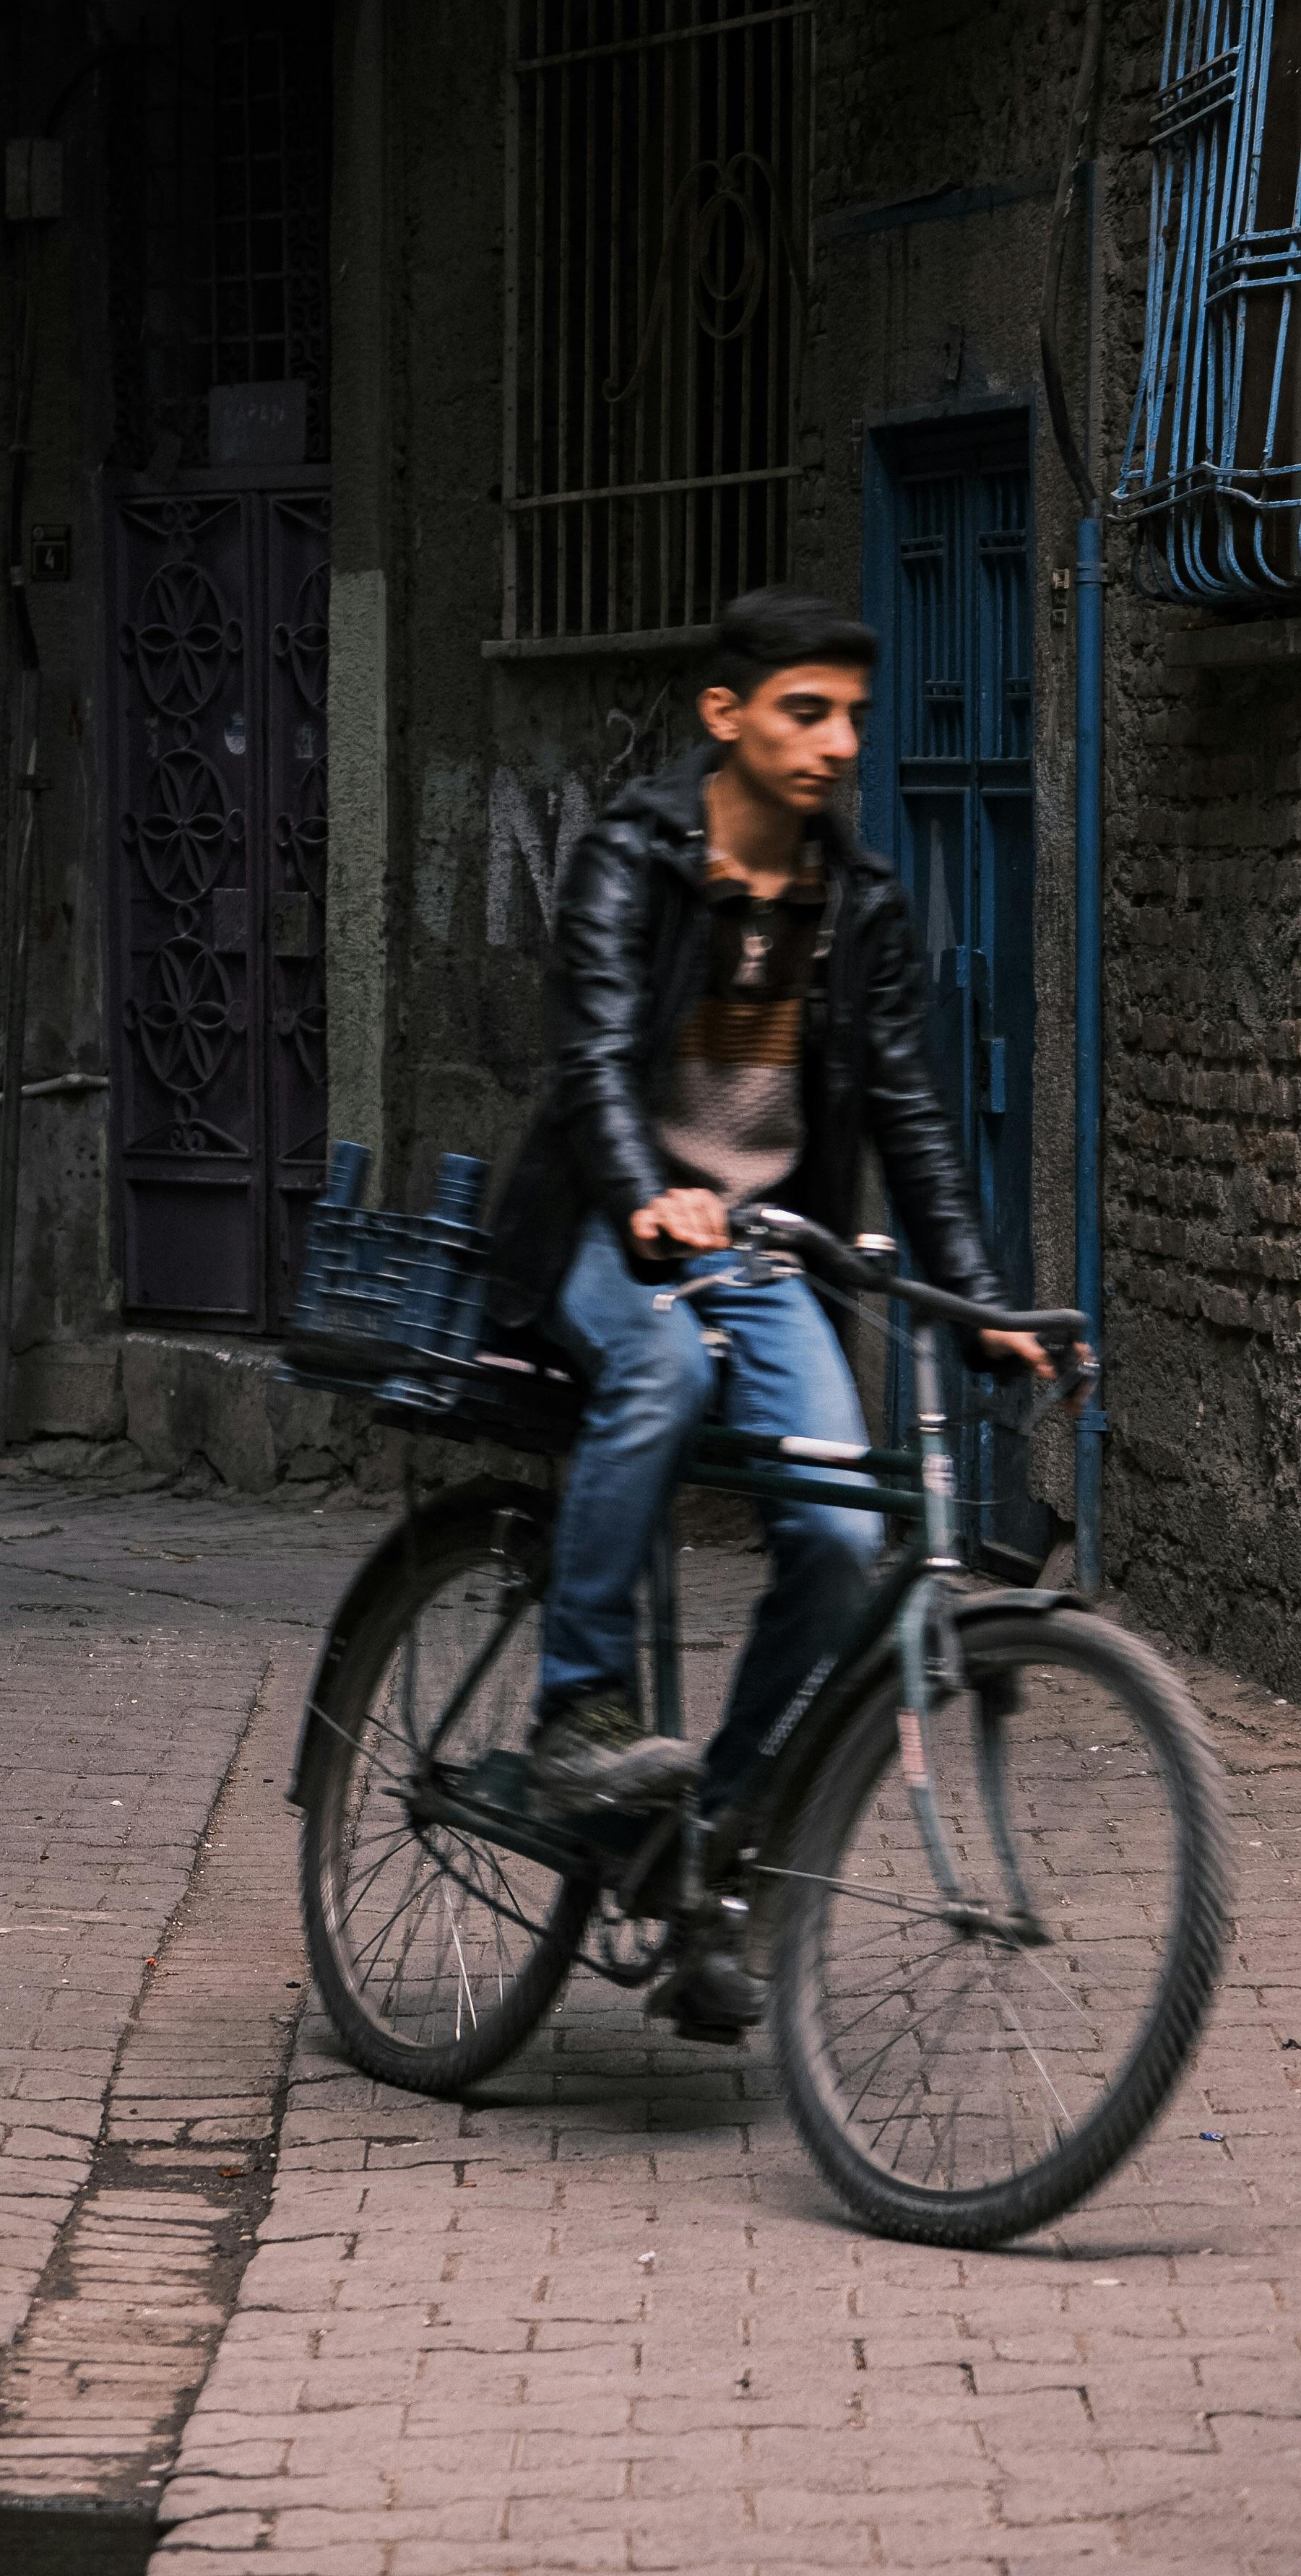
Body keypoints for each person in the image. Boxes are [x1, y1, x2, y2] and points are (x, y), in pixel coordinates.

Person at [488, 586, 1060, 2034]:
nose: (836, 743)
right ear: (725, 716)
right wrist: (641, 1196)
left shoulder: (853, 903)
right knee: (664, 1373)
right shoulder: (631, 857)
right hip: (607, 1232)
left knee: (836, 1530)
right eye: (805, 710)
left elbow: (912, 1119)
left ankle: (711, 1851)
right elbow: (590, 1062)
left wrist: (977, 1304)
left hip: (764, 1254)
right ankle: (576, 1714)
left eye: (852, 717)